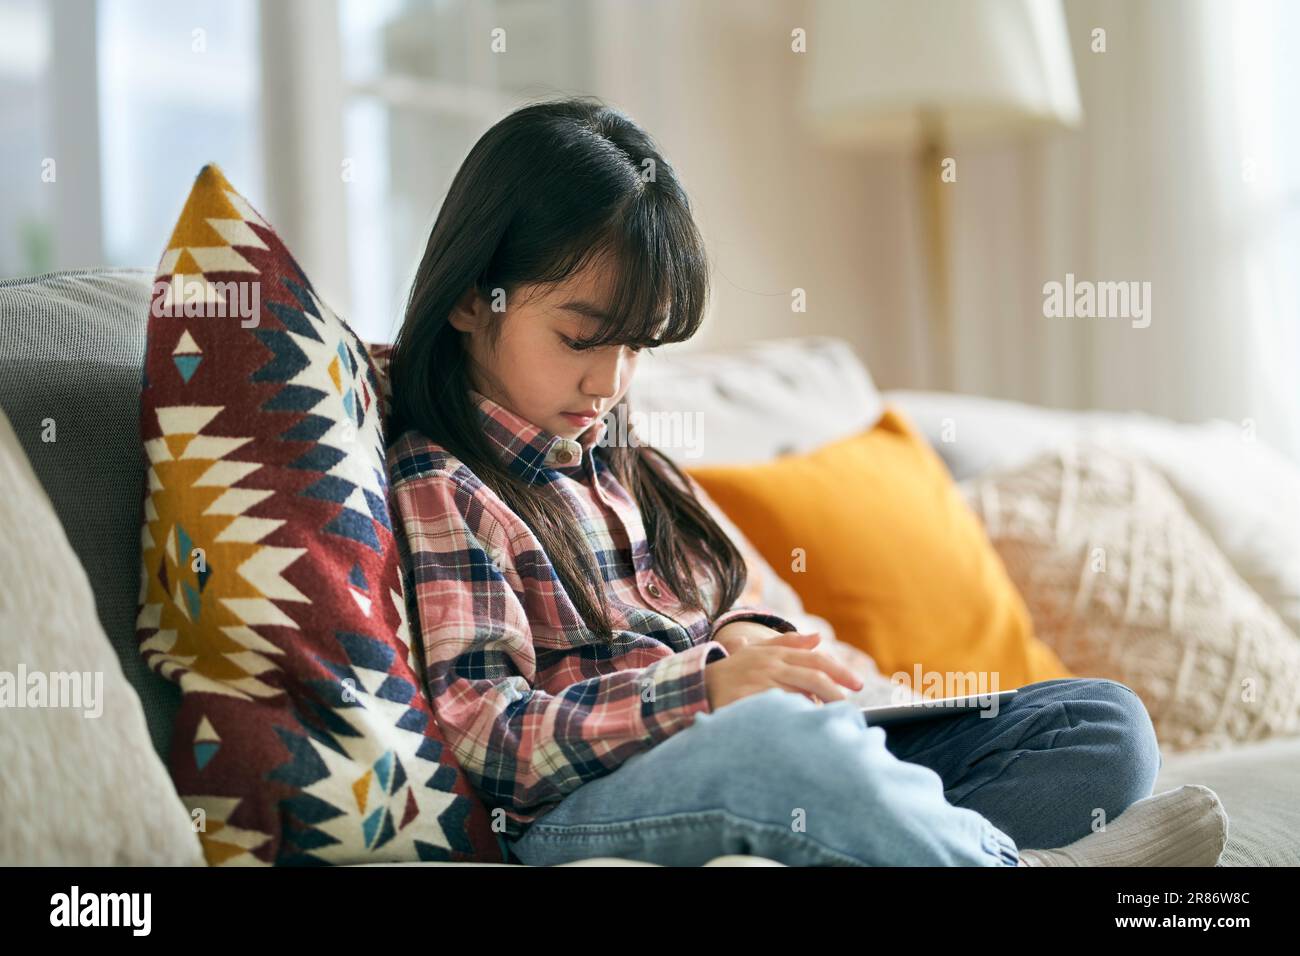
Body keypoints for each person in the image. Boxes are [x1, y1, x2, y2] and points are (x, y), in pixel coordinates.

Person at [383, 95, 1228, 867]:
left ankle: (916, 844)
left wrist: (751, 636)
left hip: (776, 757)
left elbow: (738, 600)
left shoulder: (634, 464)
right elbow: (481, 734)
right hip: (598, 805)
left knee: (1099, 724)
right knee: (786, 753)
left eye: (638, 346)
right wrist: (702, 689)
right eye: (581, 339)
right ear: (470, 299)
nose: (610, 382)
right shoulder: (446, 486)